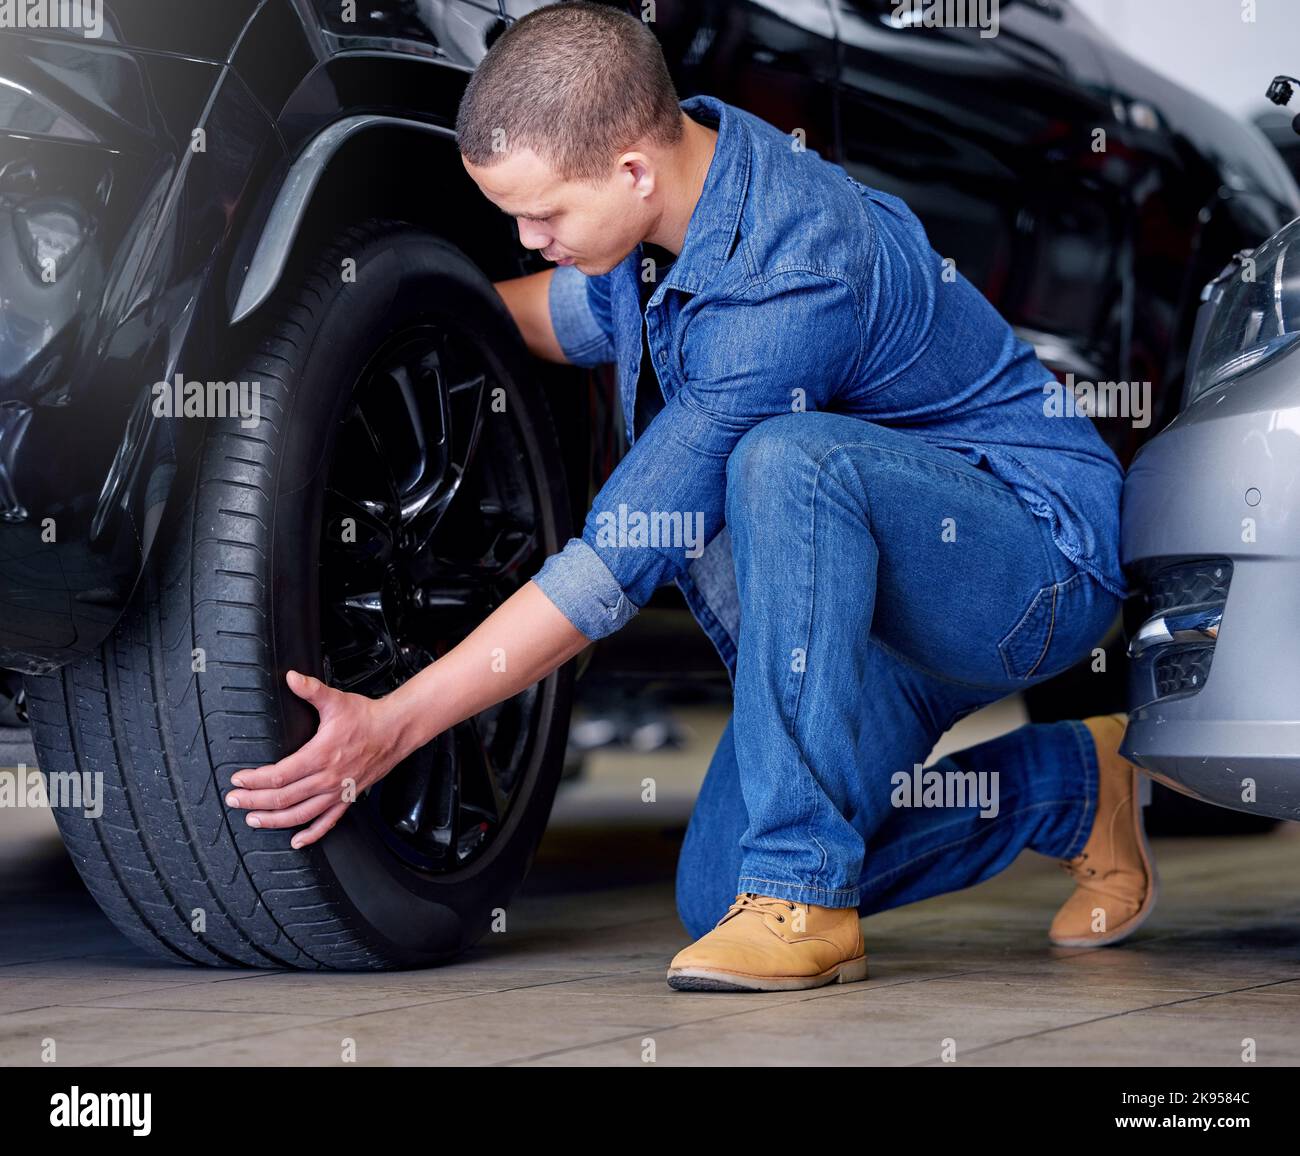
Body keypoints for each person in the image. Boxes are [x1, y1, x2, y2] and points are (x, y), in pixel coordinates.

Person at [222, 2, 1157, 992]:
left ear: (630, 169)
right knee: (718, 895)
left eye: (544, 215)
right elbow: (555, 314)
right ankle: (1069, 787)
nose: (530, 238)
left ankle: (804, 898)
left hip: (1028, 572)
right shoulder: (670, 207)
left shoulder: (792, 275)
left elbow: (609, 566)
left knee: (785, 461)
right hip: (880, 603)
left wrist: (396, 722)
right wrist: (351, 317)